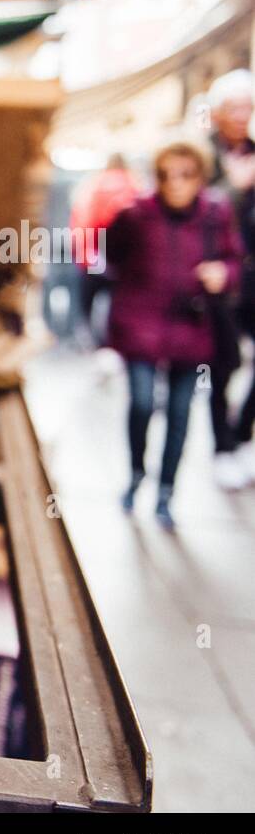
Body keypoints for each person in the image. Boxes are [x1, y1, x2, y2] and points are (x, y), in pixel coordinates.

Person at [105, 140, 242, 529]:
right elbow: (110, 256)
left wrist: (223, 275)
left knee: (181, 413)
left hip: (191, 328)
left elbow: (235, 261)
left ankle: (166, 490)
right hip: (140, 325)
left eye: (185, 175)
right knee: (142, 403)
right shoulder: (136, 215)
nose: (176, 184)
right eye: (166, 175)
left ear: (200, 177)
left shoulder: (216, 214)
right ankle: (135, 474)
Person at [206, 69, 255, 489]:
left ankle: (242, 434)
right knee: (223, 364)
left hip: (251, 273)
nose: (242, 115)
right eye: (234, 107)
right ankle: (222, 445)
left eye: (247, 107)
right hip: (219, 279)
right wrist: (237, 188)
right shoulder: (201, 159)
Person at [69, 154, 139, 346]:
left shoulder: (90, 187)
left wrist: (84, 257)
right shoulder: (135, 186)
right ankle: (118, 343)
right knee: (121, 304)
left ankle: (92, 343)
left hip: (92, 259)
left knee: (87, 305)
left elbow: (81, 225)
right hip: (125, 263)